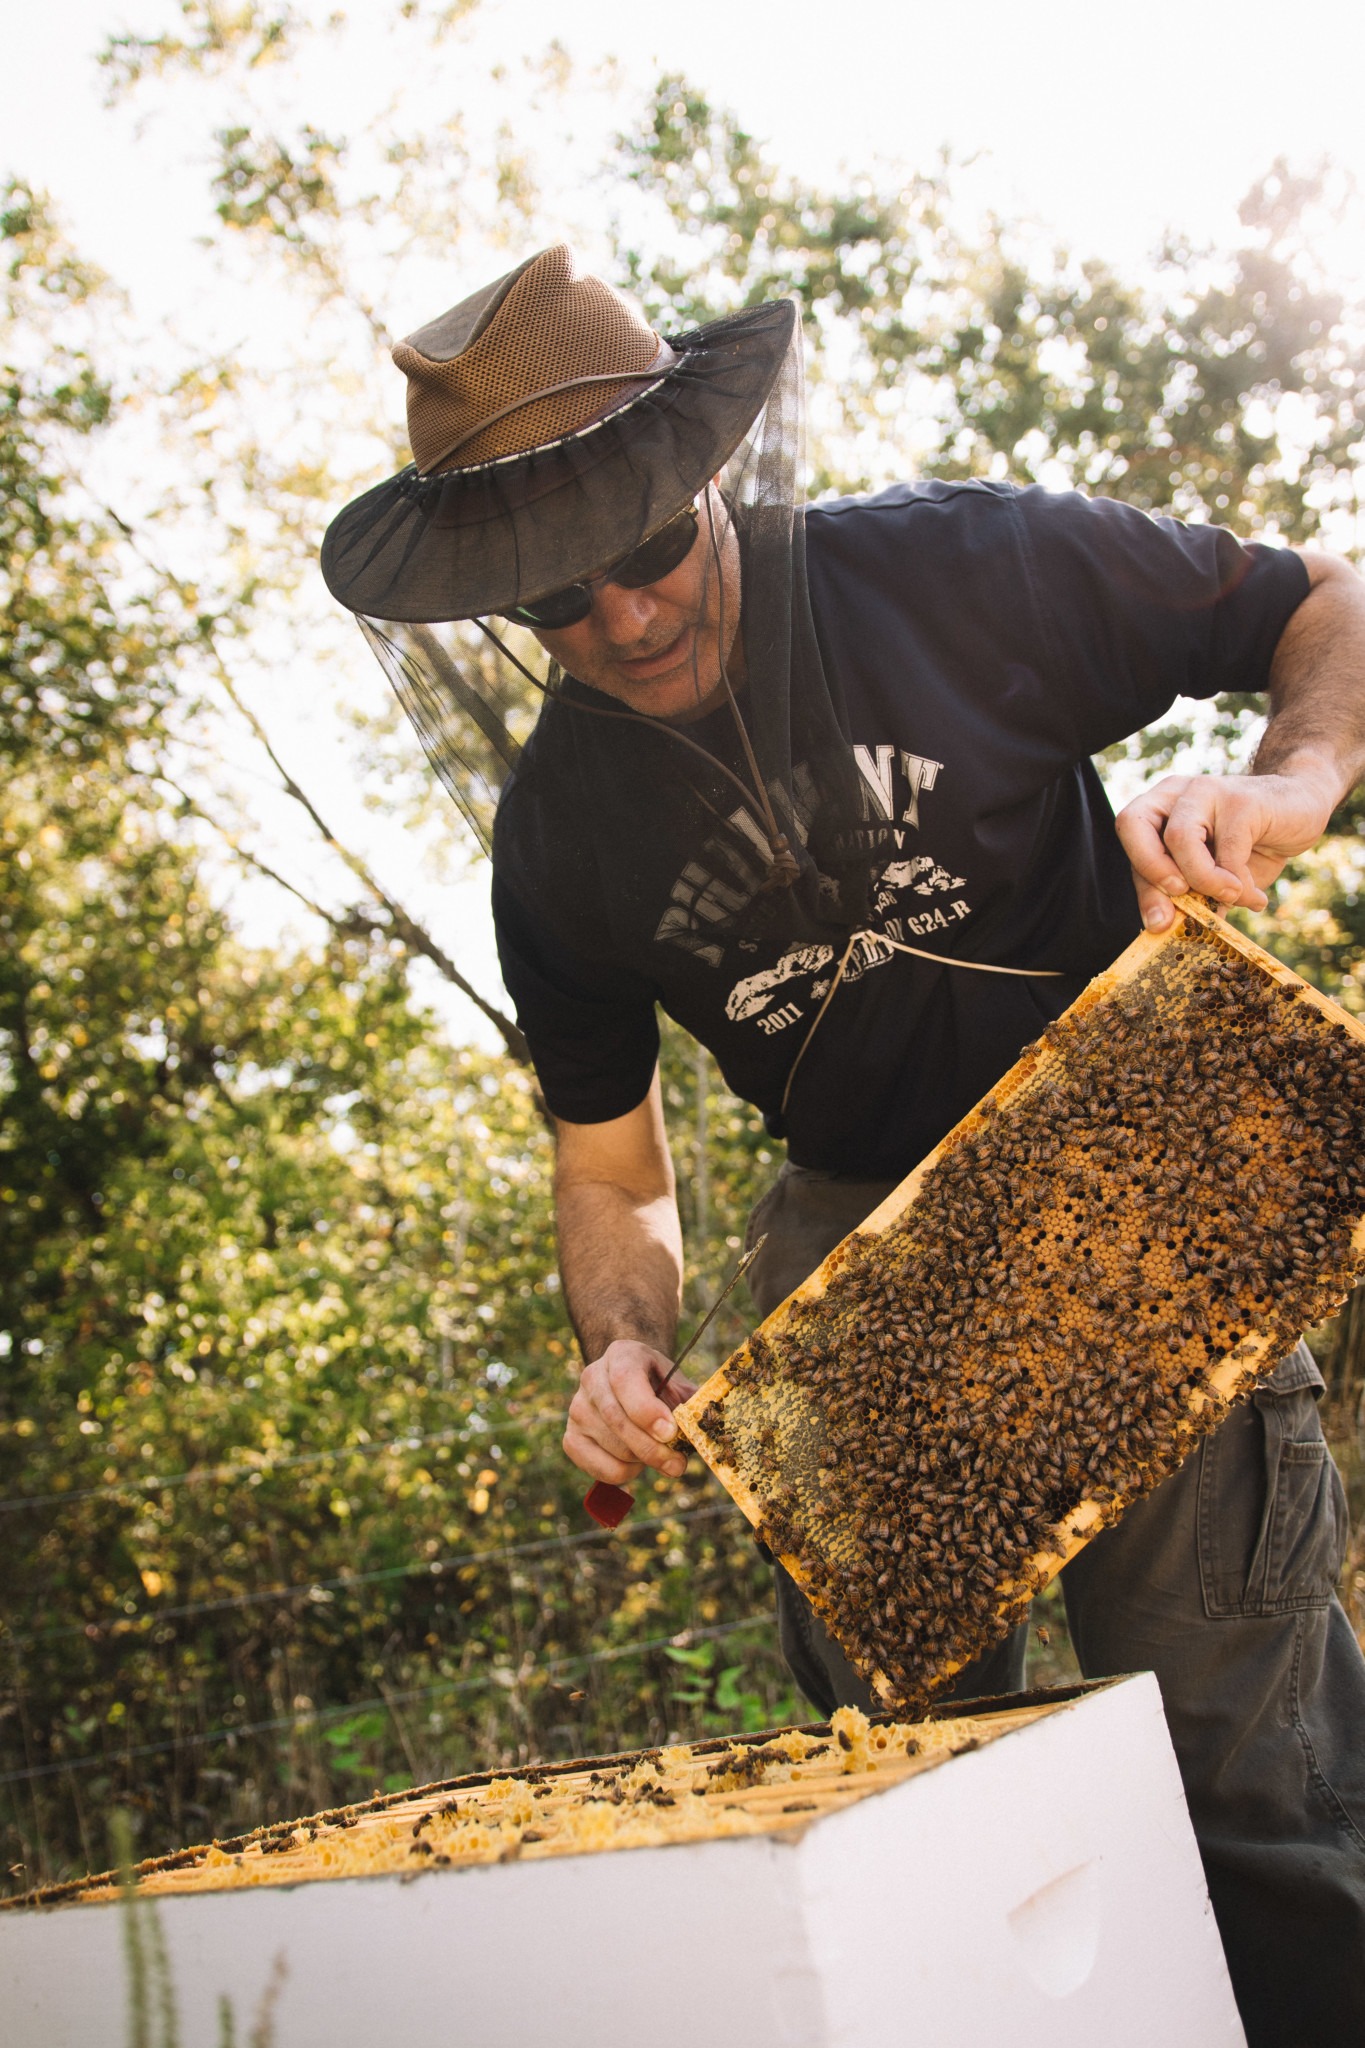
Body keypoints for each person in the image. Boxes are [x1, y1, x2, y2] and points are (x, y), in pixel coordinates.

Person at [323, 244, 1365, 2045]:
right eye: (561, 596)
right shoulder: (554, 841)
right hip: (849, 1243)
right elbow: (609, 1164)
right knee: (924, 1827)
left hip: (1126, 1160)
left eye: (647, 549)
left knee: (1253, 1788)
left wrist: (1291, 780)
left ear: (708, 476)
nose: (624, 617)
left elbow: (1318, 604)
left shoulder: (959, 569)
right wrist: (620, 1339)